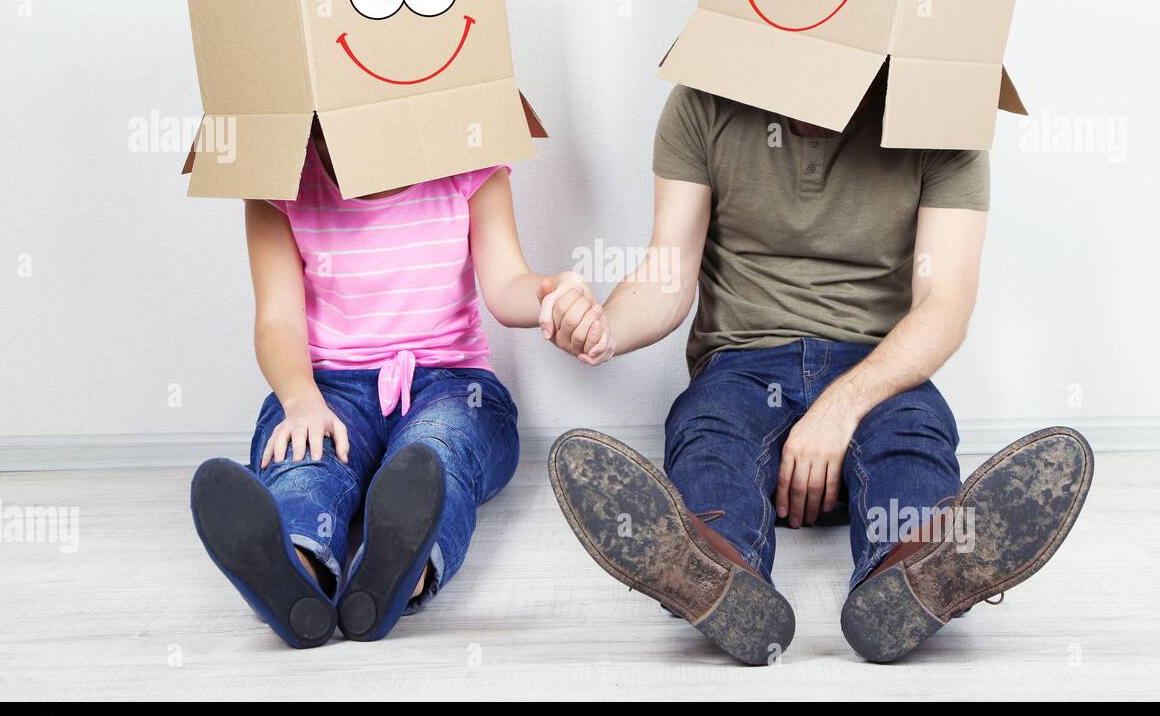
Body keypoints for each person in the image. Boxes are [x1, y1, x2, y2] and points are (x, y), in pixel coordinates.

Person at [541, 78, 1094, 664]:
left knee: (910, 435)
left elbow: (945, 304)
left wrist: (840, 407)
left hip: (878, 365)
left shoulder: (941, 111)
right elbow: (668, 277)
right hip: (741, 364)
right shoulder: (704, 100)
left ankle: (919, 573)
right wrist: (604, 327)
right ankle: (713, 573)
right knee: (709, 433)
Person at [191, 125, 593, 648]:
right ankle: (294, 577)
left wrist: (548, 294)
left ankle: (399, 575)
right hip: (327, 389)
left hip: (450, 384)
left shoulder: (469, 157)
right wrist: (300, 399)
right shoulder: (280, 178)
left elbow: (506, 287)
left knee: (439, 450)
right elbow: (277, 320)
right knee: (305, 461)